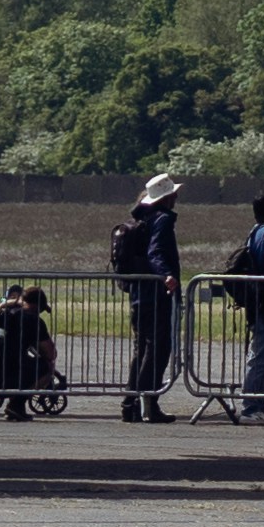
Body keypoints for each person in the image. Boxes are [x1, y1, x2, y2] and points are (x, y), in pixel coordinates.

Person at [109, 172, 188, 422]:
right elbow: (156, 253)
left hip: (139, 295)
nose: (176, 196)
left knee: (141, 349)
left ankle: (130, 404)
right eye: (172, 193)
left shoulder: (144, 219)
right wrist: (166, 275)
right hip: (156, 294)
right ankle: (148, 403)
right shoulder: (163, 220)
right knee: (158, 350)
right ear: (166, 197)